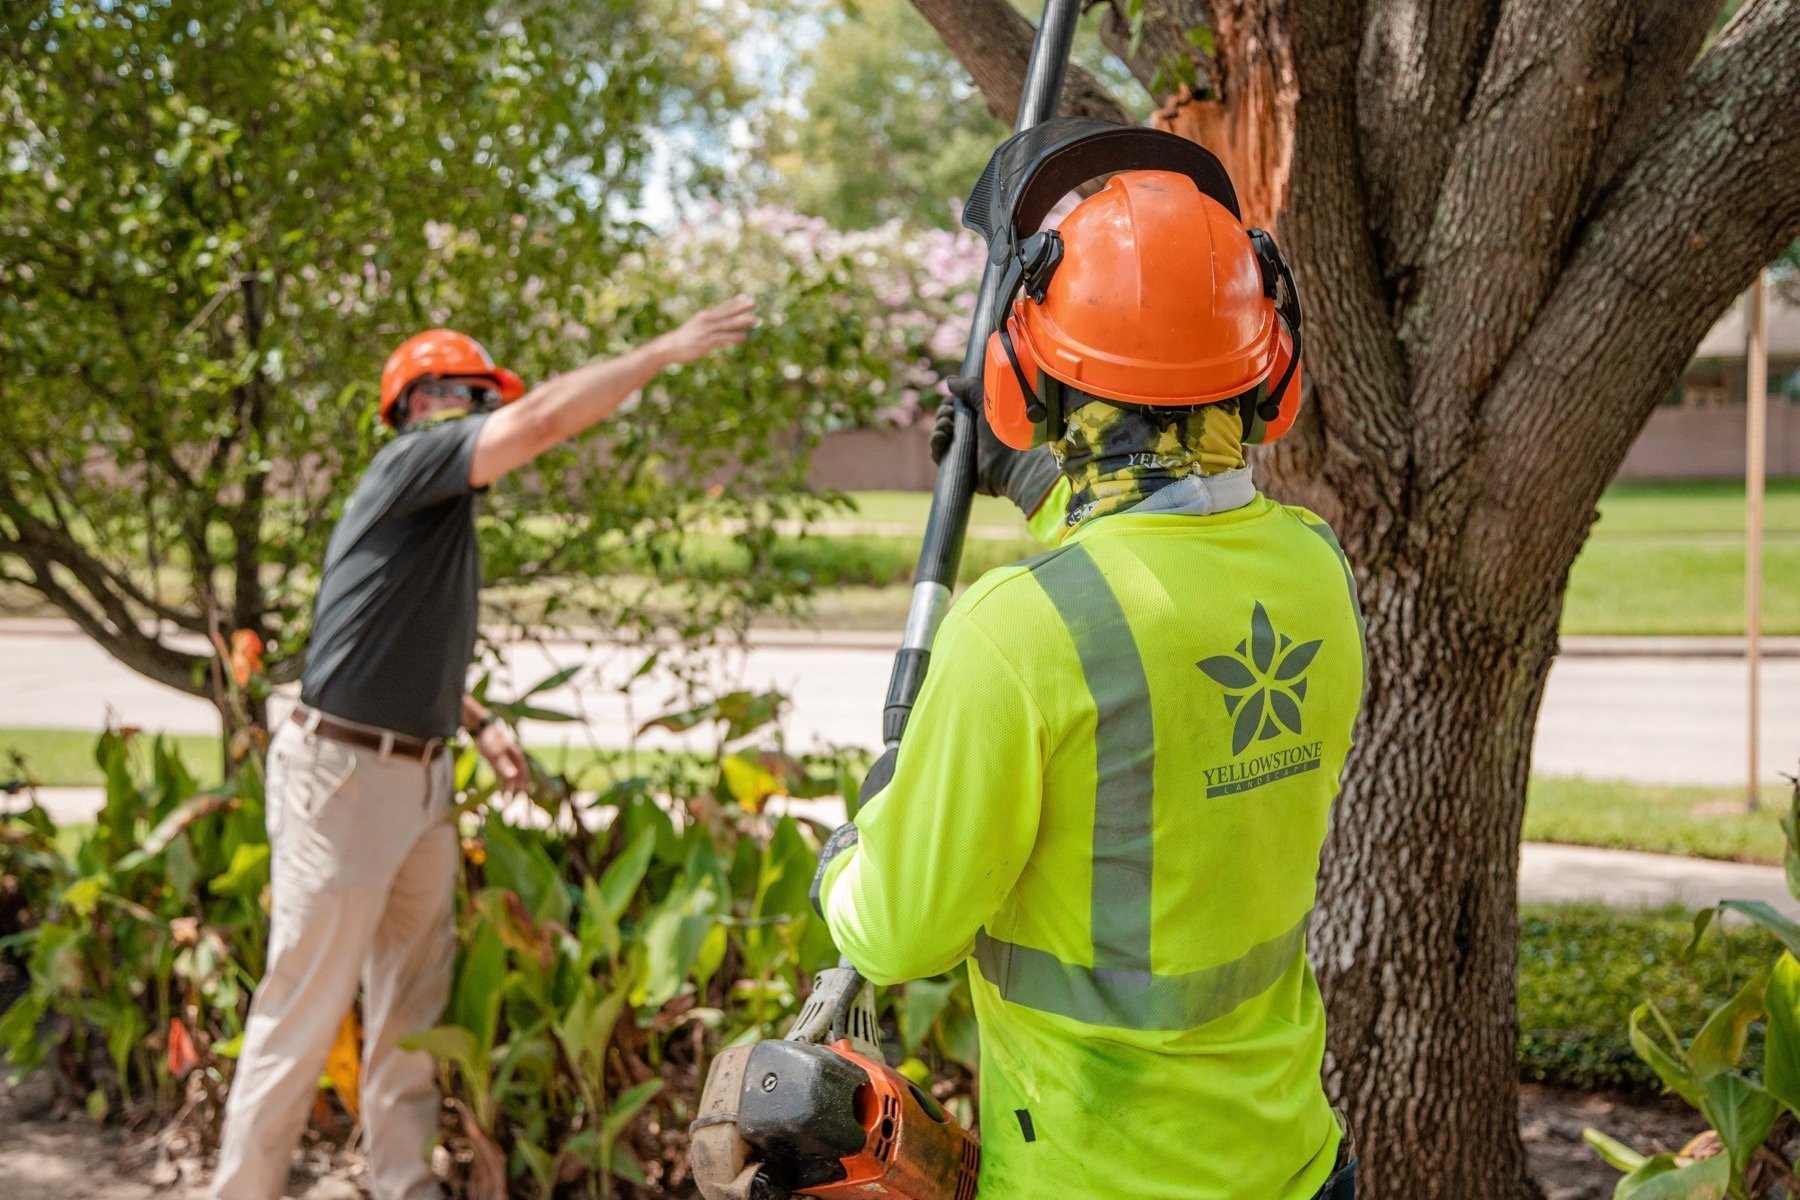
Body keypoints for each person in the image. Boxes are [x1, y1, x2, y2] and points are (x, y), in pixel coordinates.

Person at [813, 163, 1363, 1198]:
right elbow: (1163, 561)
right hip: (1297, 1164)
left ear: (1028, 387)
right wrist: (1035, 481)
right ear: (1269, 379)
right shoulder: (1315, 571)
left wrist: (849, 856)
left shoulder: (1017, 634)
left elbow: (898, 934)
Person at [211, 297, 756, 1200]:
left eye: (483, 393)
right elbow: (541, 419)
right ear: (415, 406)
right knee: (303, 1004)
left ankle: (402, 1183)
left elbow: (380, 643)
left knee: (411, 1004)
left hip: (415, 775)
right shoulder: (412, 460)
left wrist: (477, 721)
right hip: (344, 780)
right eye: (464, 393)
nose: (480, 408)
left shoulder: (434, 513)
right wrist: (662, 351)